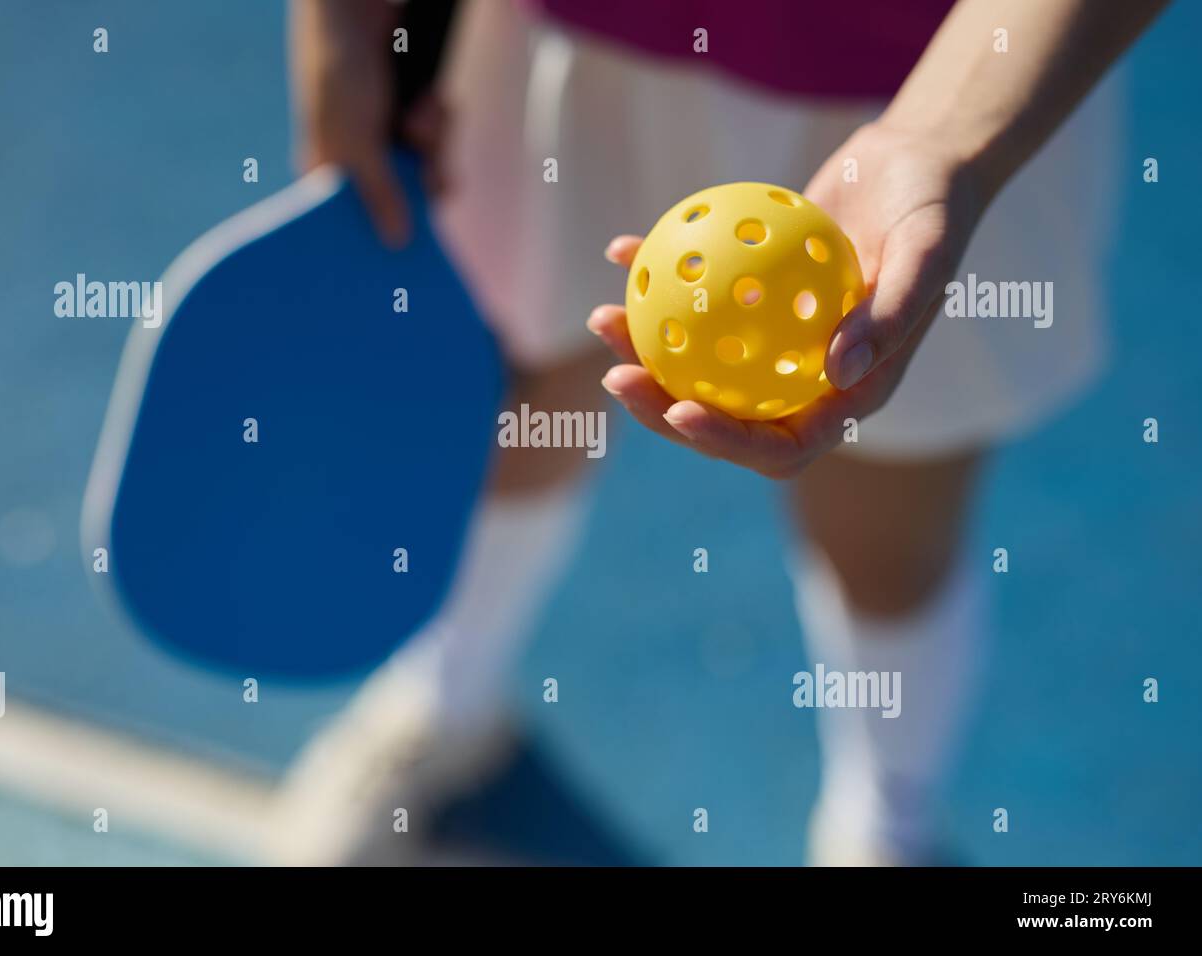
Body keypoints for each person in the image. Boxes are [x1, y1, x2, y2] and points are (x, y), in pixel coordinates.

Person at [269, 0, 1165, 865]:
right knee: (523, 407)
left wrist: (936, 143)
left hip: (949, 70)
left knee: (886, 531)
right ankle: (445, 701)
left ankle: (886, 828)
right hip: (571, 30)